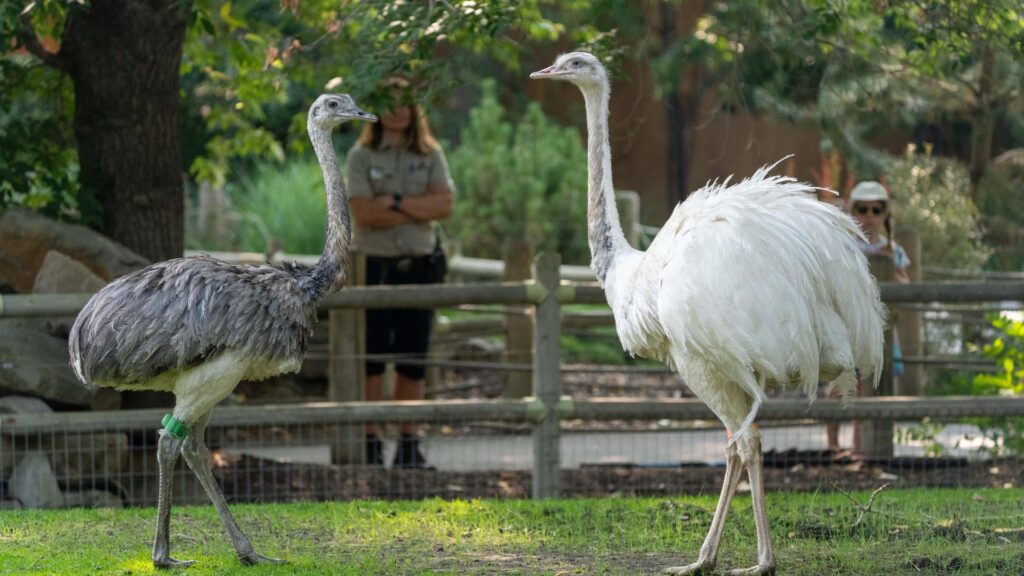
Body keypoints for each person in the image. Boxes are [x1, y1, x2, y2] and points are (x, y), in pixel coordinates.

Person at [345, 79, 454, 468]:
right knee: (373, 358)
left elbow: (444, 205)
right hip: (374, 268)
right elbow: (364, 213)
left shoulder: (431, 154)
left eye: (404, 103)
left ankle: (409, 444)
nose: (397, 110)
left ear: (414, 109)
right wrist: (415, 207)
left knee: (413, 359)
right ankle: (371, 441)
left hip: (420, 267)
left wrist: (391, 201)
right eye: (388, 103)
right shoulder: (361, 156)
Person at [827, 180, 911, 451]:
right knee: (839, 386)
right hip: (846, 327)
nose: (870, 216)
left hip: (879, 329)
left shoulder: (893, 250)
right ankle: (832, 447)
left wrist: (895, 279)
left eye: (876, 210)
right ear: (853, 212)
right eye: (862, 209)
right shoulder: (842, 247)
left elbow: (906, 286)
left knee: (868, 388)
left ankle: (859, 448)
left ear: (885, 214)